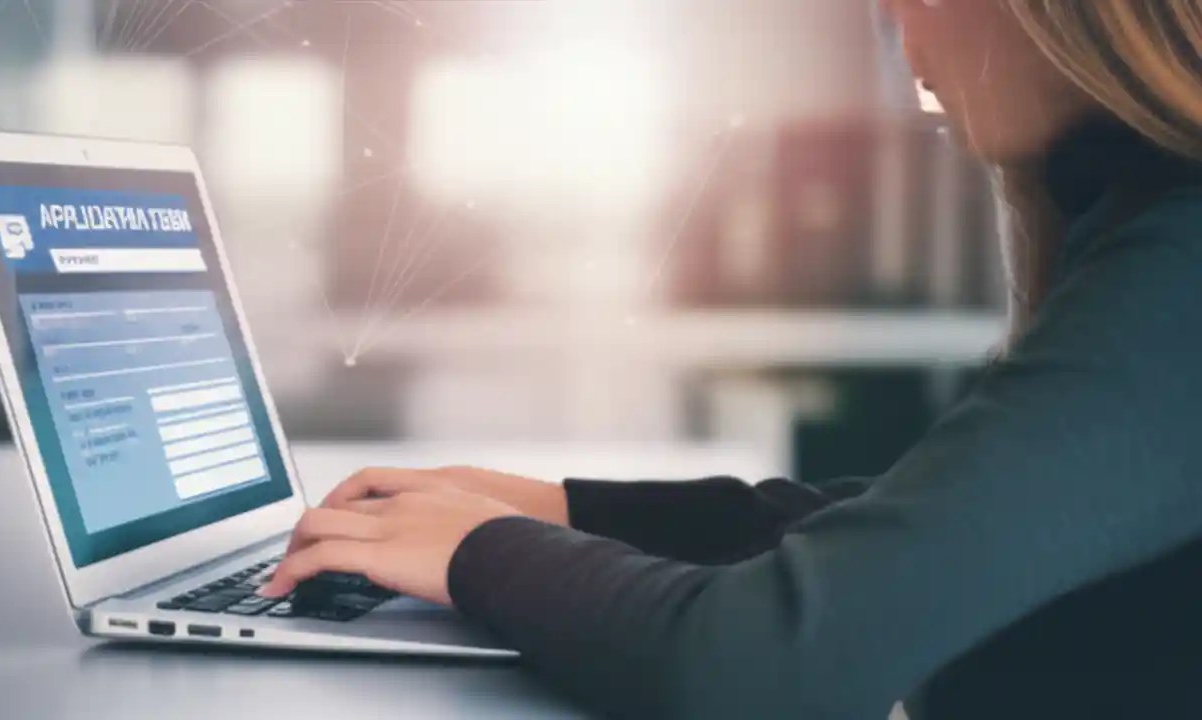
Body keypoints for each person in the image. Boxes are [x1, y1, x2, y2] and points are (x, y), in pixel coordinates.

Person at [260, 1, 1202, 717]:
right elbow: (901, 529)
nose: (892, 25)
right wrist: (557, 510)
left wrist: (478, 551)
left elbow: (766, 663)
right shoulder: (1147, 237)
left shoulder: (1177, 273)